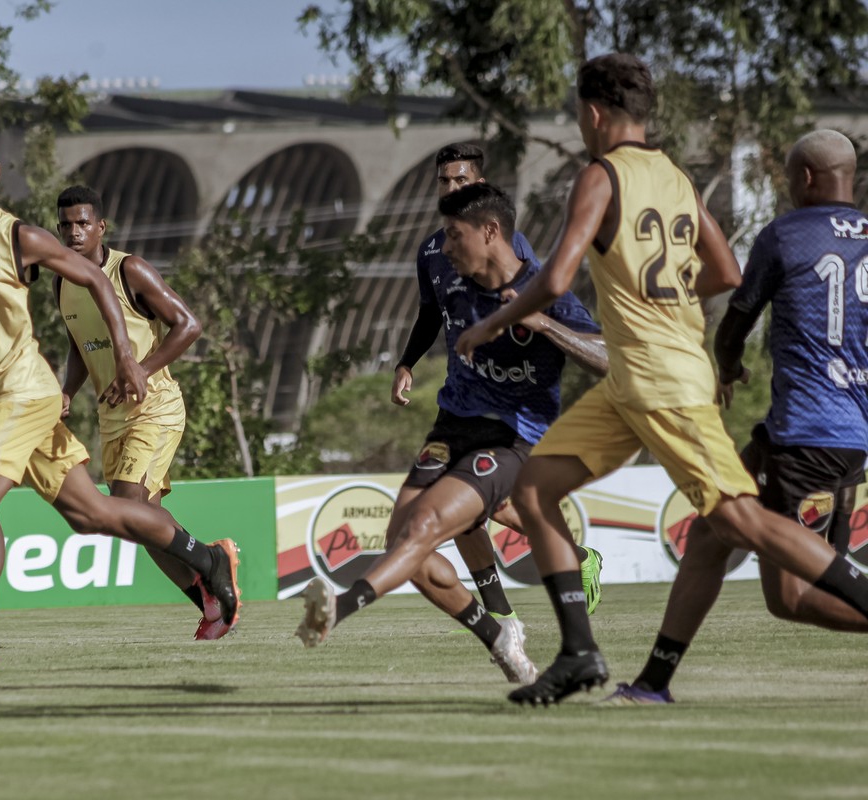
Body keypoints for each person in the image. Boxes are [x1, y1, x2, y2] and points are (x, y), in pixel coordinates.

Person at [454, 54, 868, 706]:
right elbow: (726, 271)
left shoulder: (600, 175)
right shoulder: (675, 177)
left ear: (593, 114)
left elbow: (557, 278)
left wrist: (487, 325)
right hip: (632, 379)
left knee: (739, 519)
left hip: (663, 380)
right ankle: (580, 653)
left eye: (579, 115)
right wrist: (671, 291)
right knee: (536, 490)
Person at [0, 126, 240, 677]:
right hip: (7, 398)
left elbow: (99, 278)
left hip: (24, 392)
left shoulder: (20, 237)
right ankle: (206, 559)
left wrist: (126, 355)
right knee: (91, 515)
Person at [296, 182, 608, 685]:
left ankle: (340, 605)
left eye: (453, 235)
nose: (443, 248)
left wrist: (546, 326)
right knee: (405, 545)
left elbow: (608, 358)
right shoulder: (453, 284)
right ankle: (497, 635)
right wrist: (406, 363)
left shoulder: (544, 288)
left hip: (511, 439)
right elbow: (426, 321)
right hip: (451, 427)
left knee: (423, 529)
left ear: (490, 231)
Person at [604, 129, 868, 704]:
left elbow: (737, 318)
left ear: (803, 178)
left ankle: (654, 683)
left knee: (790, 600)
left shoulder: (786, 234)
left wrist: (724, 368)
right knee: (708, 535)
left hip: (805, 432)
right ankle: (654, 684)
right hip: (834, 432)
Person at [392, 143, 605, 621]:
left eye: (461, 180)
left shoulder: (508, 245)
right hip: (462, 396)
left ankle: (570, 565)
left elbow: (534, 306)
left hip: (507, 406)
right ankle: (503, 614)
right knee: (470, 511)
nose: (452, 188)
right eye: (445, 181)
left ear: (481, 184)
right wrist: (407, 362)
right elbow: (431, 313)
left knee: (477, 507)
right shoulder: (432, 249)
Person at [54, 185, 233, 640]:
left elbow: (189, 324)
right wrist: (66, 391)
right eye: (65, 224)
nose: (73, 232)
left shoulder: (128, 270)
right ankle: (211, 603)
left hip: (155, 406)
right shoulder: (63, 281)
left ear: (100, 227)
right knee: (138, 521)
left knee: (129, 507)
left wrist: (141, 367)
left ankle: (214, 560)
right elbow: (80, 344)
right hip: (111, 416)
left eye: (82, 223)